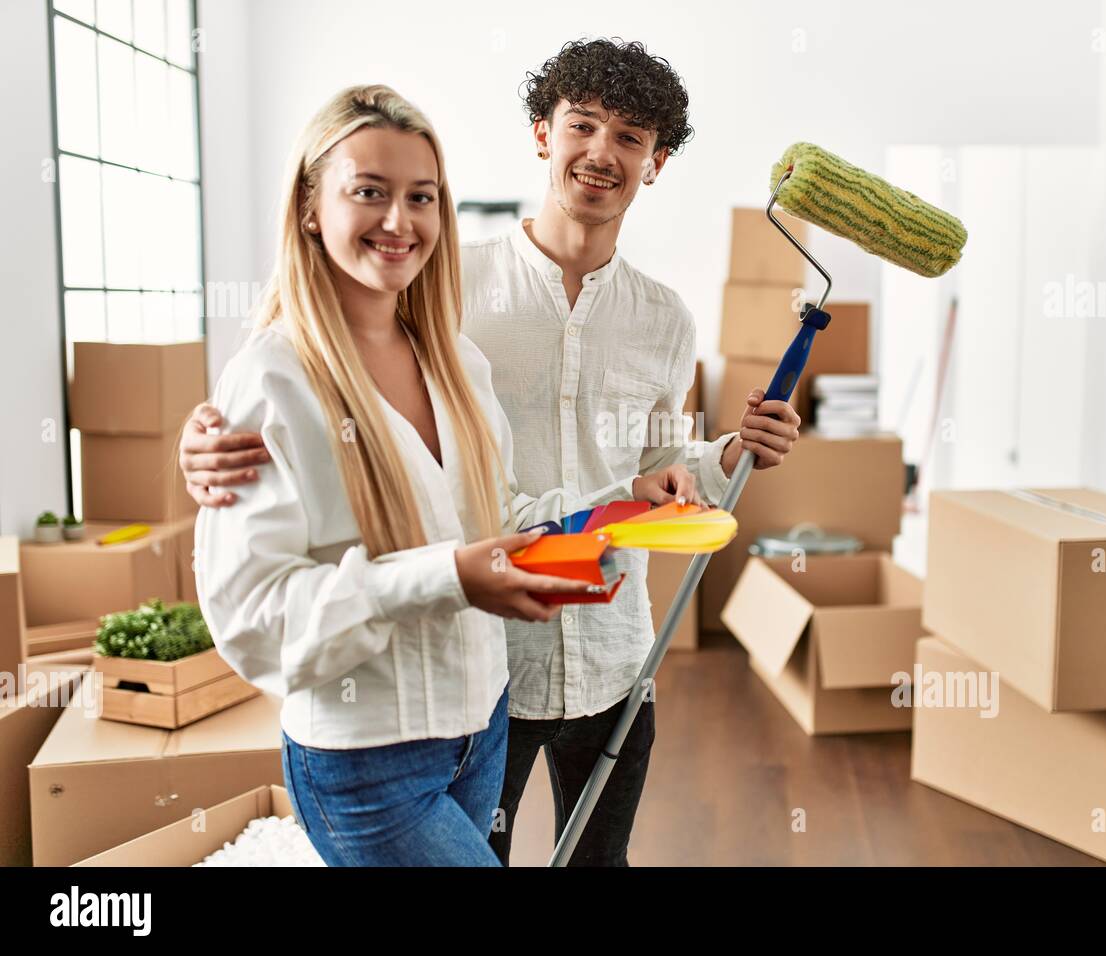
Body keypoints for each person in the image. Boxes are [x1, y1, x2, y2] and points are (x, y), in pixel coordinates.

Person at [182, 39, 802, 867]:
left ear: (656, 163)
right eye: (582, 124)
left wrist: (725, 454)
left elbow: (655, 473)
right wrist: (204, 447)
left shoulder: (656, 321)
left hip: (609, 654)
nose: (601, 153)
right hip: (475, 669)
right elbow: (307, 396)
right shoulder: (442, 292)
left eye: (631, 137)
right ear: (542, 133)